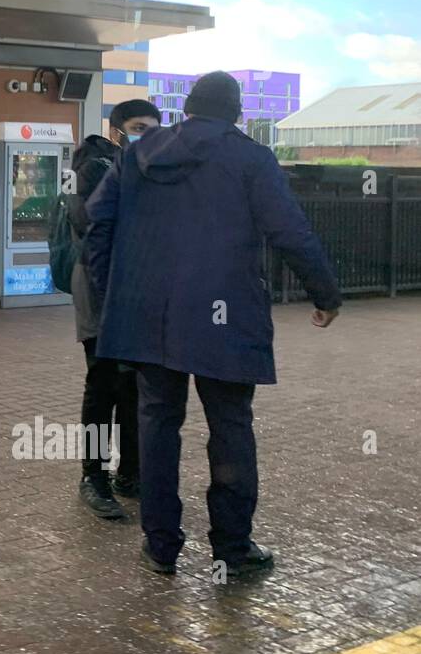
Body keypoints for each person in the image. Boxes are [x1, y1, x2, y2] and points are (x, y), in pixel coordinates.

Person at [85, 71, 341, 579]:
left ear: (187, 110)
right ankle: (232, 547)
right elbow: (290, 231)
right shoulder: (250, 158)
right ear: (237, 114)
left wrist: (113, 296)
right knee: (230, 428)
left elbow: (99, 225)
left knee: (158, 424)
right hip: (226, 316)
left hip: (149, 319)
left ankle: (161, 547)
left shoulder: (138, 152)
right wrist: (325, 294)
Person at [67, 99, 161, 520]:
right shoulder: (94, 169)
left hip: (135, 289)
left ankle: (131, 473)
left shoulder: (150, 170)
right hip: (98, 287)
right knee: (102, 382)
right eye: (139, 126)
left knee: (134, 385)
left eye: (155, 127)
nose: (148, 134)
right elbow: (89, 225)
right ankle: (94, 476)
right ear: (116, 129)